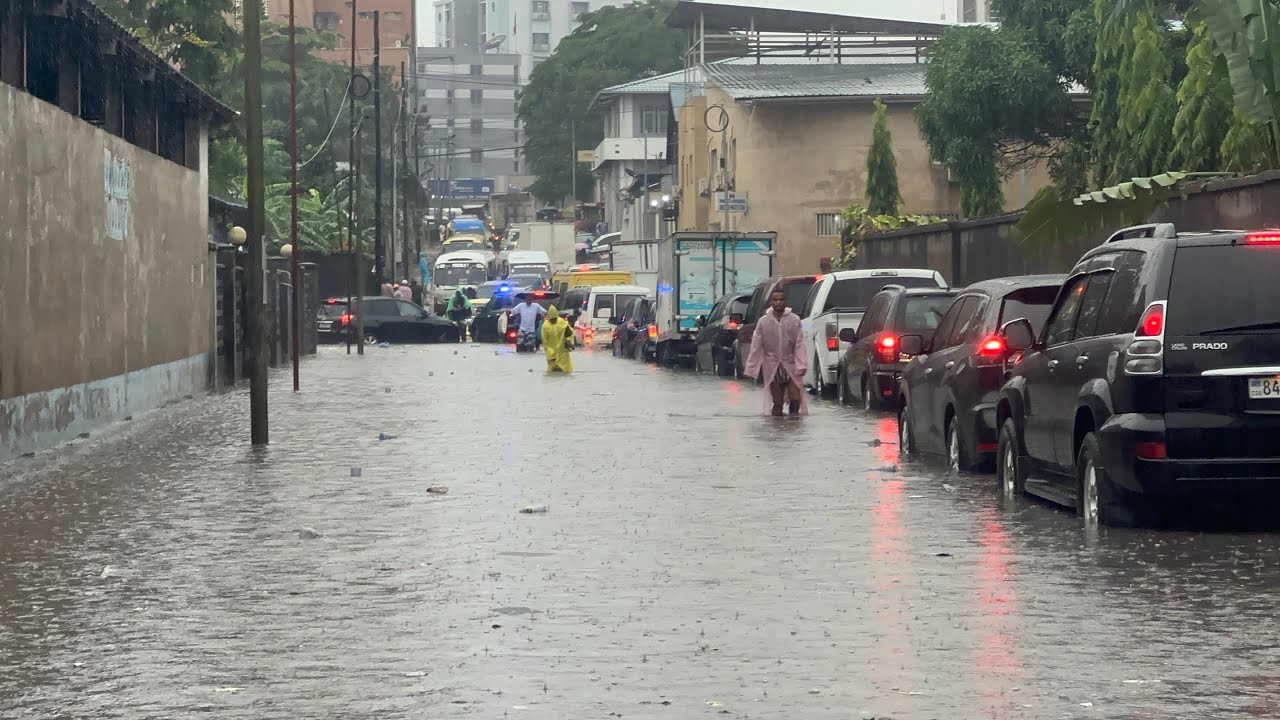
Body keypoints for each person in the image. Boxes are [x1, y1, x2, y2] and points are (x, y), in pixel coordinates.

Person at [743, 288, 808, 417]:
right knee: (777, 403)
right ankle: (777, 429)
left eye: (781, 299)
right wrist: (751, 367)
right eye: (775, 300)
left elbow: (799, 344)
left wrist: (801, 365)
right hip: (772, 365)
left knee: (795, 398)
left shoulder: (794, 320)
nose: (778, 302)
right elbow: (756, 346)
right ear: (771, 302)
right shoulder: (763, 322)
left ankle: (794, 424)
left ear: (786, 301)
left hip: (791, 364)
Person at [540, 306, 574, 373]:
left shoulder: (562, 322)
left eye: (555, 319)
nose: (553, 320)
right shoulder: (545, 326)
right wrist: (550, 352)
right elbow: (545, 341)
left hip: (562, 351)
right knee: (553, 371)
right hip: (552, 352)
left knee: (565, 371)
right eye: (552, 319)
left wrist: (569, 341)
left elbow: (570, 333)